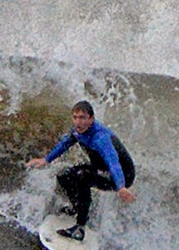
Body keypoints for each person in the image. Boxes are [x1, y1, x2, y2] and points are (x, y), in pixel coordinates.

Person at [26, 100, 136, 242]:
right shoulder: (77, 132)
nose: (78, 122)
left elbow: (113, 163)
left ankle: (80, 228)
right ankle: (79, 209)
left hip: (122, 176)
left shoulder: (101, 138)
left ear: (91, 119)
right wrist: (46, 160)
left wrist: (121, 187)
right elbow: (65, 144)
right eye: (75, 117)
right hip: (102, 170)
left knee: (83, 177)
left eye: (83, 118)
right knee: (63, 176)